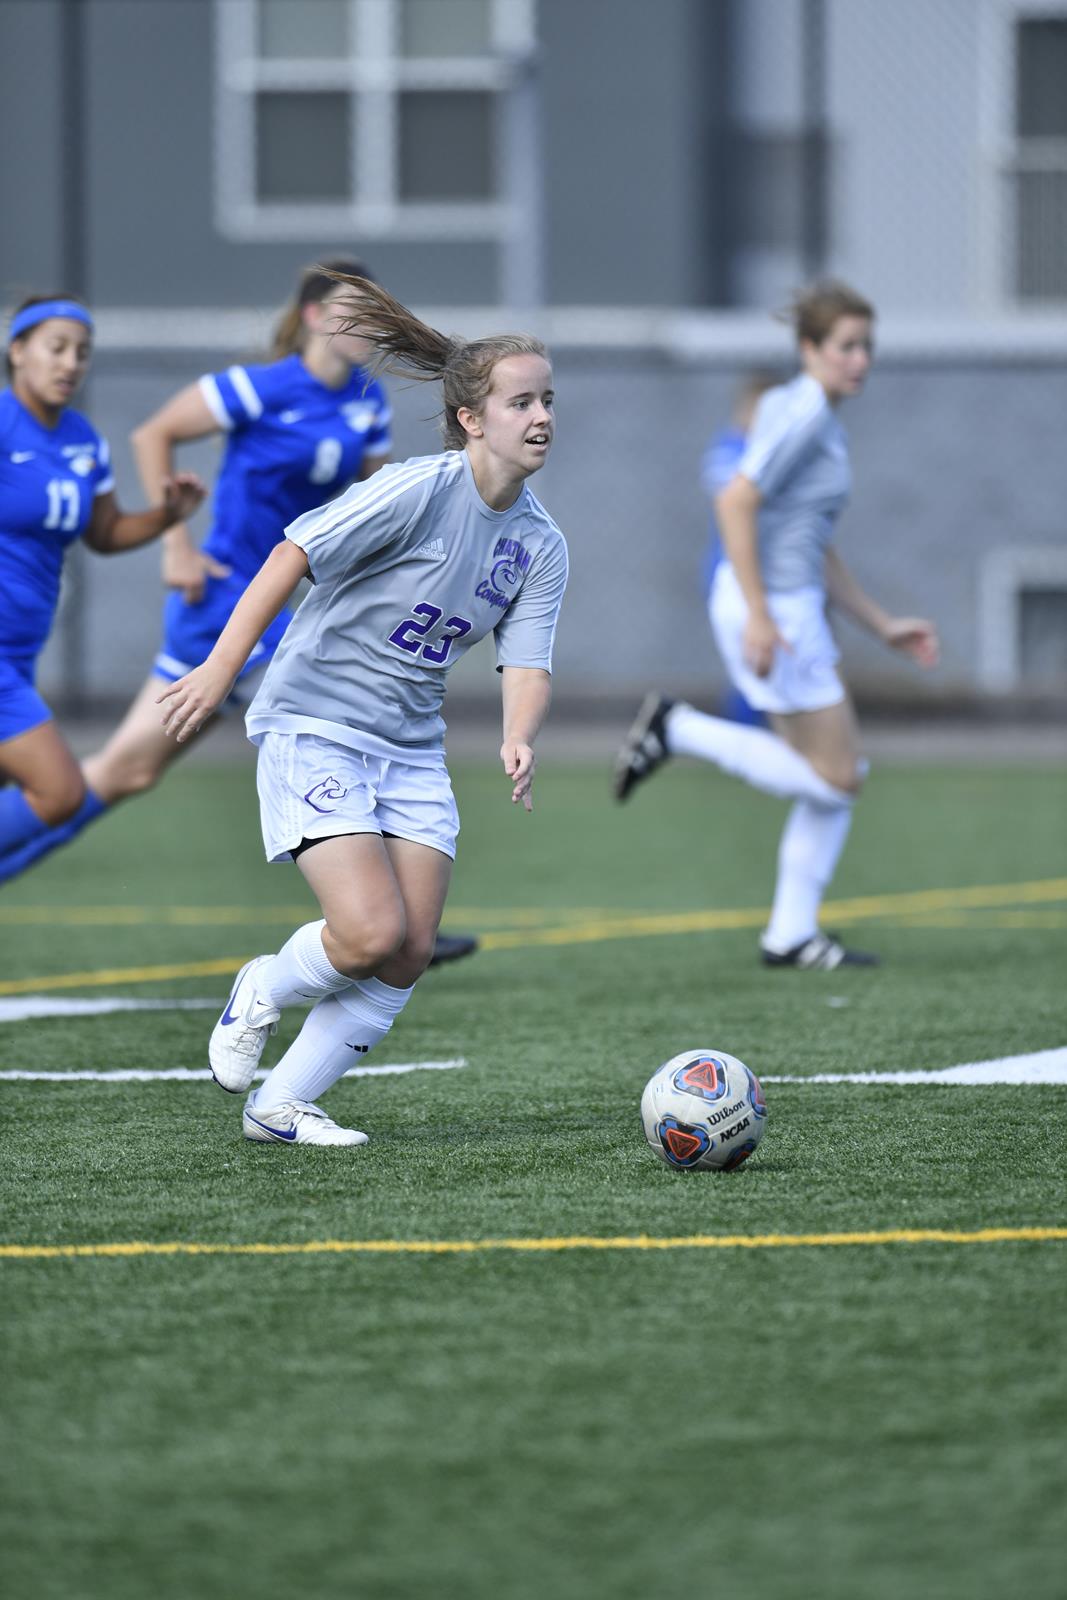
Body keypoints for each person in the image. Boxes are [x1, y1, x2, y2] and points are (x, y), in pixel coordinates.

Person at [158, 272, 567, 1146]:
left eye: (547, 400)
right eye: (520, 402)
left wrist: (518, 736)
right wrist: (214, 668)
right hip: (314, 724)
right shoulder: (418, 490)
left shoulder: (540, 541)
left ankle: (281, 1107)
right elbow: (286, 556)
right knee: (367, 928)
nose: (540, 418)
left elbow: (525, 659)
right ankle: (262, 987)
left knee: (410, 947)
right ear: (471, 418)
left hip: (410, 746)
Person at [0, 261, 476, 964]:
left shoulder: (366, 404)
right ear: (313, 315)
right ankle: (390, 921)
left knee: (122, 772)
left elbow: (374, 508)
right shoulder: (262, 385)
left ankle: (389, 919)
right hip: (226, 605)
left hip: (288, 610)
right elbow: (155, 433)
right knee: (340, 717)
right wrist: (178, 547)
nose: (366, 329)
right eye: (352, 311)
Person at [614, 280, 939, 971]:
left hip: (787, 603)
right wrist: (761, 614)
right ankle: (678, 729)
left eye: (865, 346)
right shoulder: (801, 414)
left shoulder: (809, 411)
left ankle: (790, 935)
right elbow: (736, 502)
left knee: (838, 776)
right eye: (845, 347)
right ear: (808, 349)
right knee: (838, 777)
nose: (859, 360)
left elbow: (809, 539)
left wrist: (880, 624)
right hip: (775, 610)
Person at [0, 295, 205, 863]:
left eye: (82, 353)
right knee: (59, 792)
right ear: (17, 351)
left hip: (18, 655)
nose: (70, 364)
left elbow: (106, 531)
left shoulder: (82, 439)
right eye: (56, 348)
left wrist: (168, 515)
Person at [699, 370, 781, 726]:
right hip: (733, 572)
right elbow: (737, 496)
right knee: (755, 666)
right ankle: (739, 734)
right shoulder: (730, 449)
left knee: (774, 667)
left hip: (774, 575)